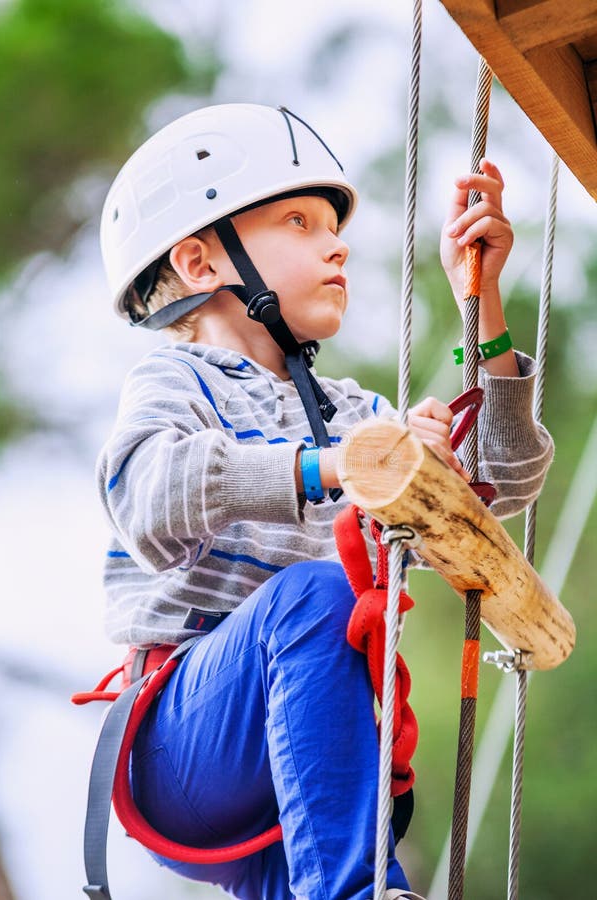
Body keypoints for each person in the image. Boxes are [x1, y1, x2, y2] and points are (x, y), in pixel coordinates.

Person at [95, 103, 553, 900]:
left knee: (322, 613)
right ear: (202, 264)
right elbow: (149, 495)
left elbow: (502, 484)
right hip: (186, 741)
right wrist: (334, 467)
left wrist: (482, 307)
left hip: (309, 757)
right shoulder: (176, 382)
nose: (336, 242)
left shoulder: (349, 412)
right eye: (300, 222)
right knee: (313, 596)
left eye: (330, 226)